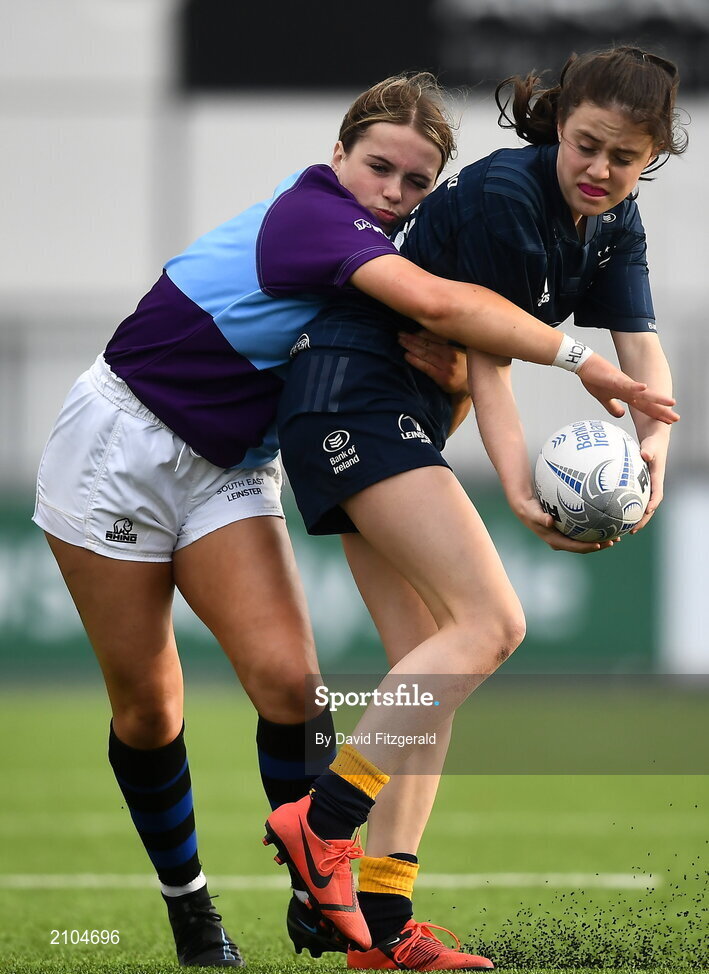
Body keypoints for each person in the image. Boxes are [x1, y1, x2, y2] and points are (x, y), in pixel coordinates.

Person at [34, 67, 673, 970]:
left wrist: (638, 434)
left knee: (304, 690)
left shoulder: (410, 235)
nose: (393, 194)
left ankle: (359, 915)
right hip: (122, 439)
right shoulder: (317, 217)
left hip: (235, 461)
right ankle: (200, 906)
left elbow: (461, 345)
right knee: (149, 707)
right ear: (334, 154)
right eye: (377, 167)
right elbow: (446, 310)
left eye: (414, 182)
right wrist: (580, 364)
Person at [270, 44, 684, 969]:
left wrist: (653, 447)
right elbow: (485, 350)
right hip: (354, 399)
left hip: (398, 414)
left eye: (624, 156)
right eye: (585, 145)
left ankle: (378, 929)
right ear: (559, 123)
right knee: (492, 623)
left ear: (651, 155)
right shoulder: (505, 194)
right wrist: (514, 485)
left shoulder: (615, 222)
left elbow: (642, 350)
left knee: (427, 681)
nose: (599, 170)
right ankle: (322, 821)